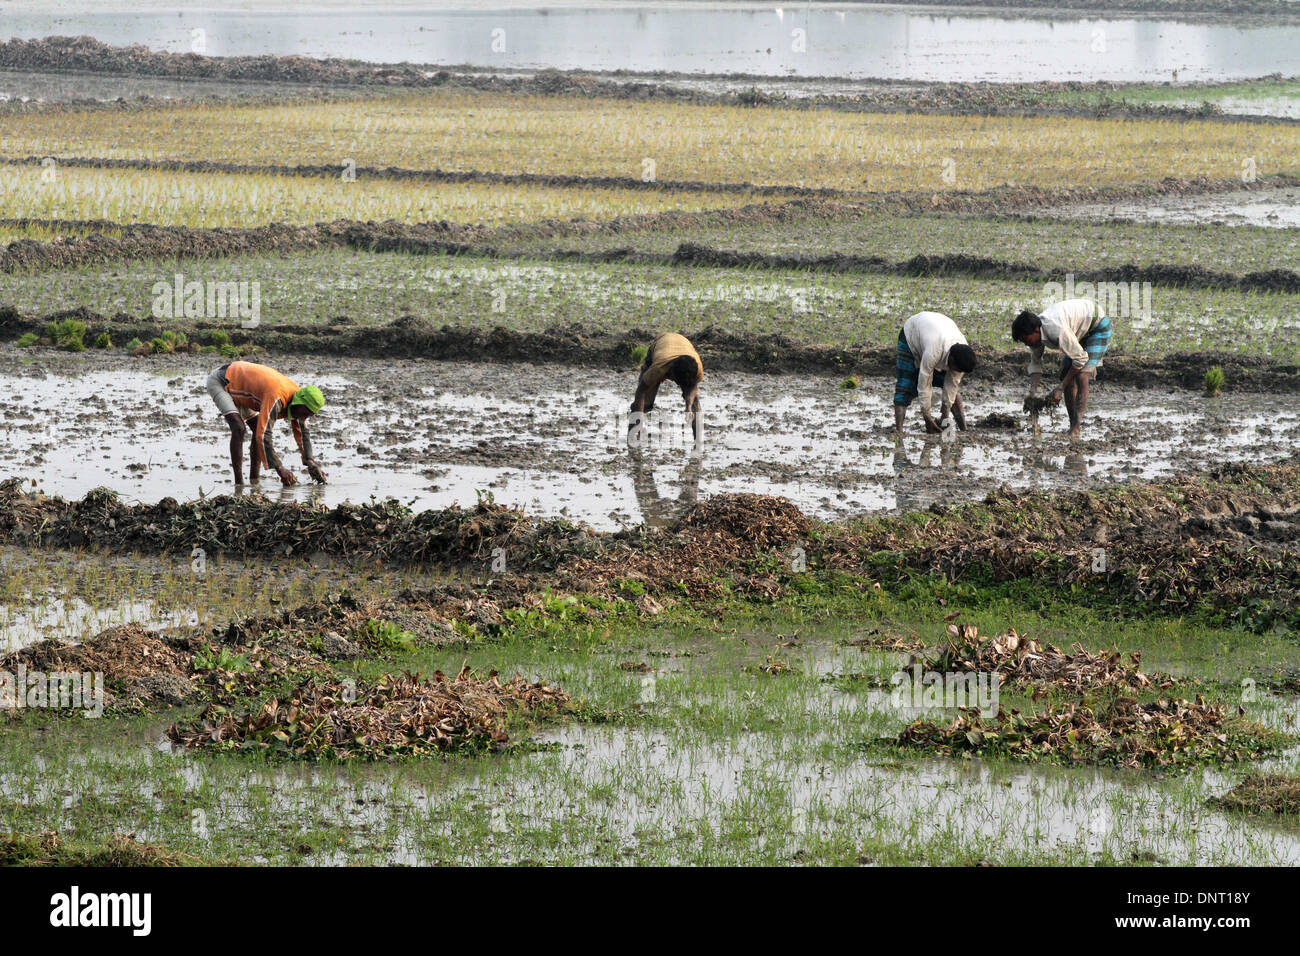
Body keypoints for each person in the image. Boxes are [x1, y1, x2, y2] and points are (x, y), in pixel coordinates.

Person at [205, 360, 326, 486]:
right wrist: (279, 468)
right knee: (239, 428)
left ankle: (254, 480)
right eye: (305, 413)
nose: (304, 417)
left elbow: (302, 432)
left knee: (258, 425)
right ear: (299, 403)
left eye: (309, 415)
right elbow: (263, 435)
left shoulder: (299, 398)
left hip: (245, 391)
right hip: (222, 381)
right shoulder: (278, 396)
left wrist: (310, 461)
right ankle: (239, 484)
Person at [1012, 298, 1111, 440]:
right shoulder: (1035, 336)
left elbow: (1080, 359)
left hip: (1097, 326)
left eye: (1026, 339)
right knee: (1065, 371)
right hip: (1078, 330)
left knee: (1082, 375)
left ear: (1036, 330)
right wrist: (1032, 393)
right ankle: (1072, 424)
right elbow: (1036, 364)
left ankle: (1076, 428)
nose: (1026, 343)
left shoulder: (1056, 330)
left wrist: (1060, 388)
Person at [893, 310, 976, 434]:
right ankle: (899, 432)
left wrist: (944, 416)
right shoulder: (934, 351)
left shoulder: (963, 353)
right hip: (911, 334)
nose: (956, 372)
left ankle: (964, 429)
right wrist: (928, 418)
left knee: (952, 390)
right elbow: (924, 384)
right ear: (951, 359)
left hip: (935, 329)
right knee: (905, 384)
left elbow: (952, 386)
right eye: (956, 369)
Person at [629, 332, 703, 445]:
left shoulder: (697, 368)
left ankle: (698, 442)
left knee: (695, 403)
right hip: (661, 344)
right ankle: (633, 439)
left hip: (682, 344)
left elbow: (693, 388)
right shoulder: (658, 368)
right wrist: (638, 415)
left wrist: (688, 406)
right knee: (645, 404)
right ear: (671, 374)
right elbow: (641, 391)